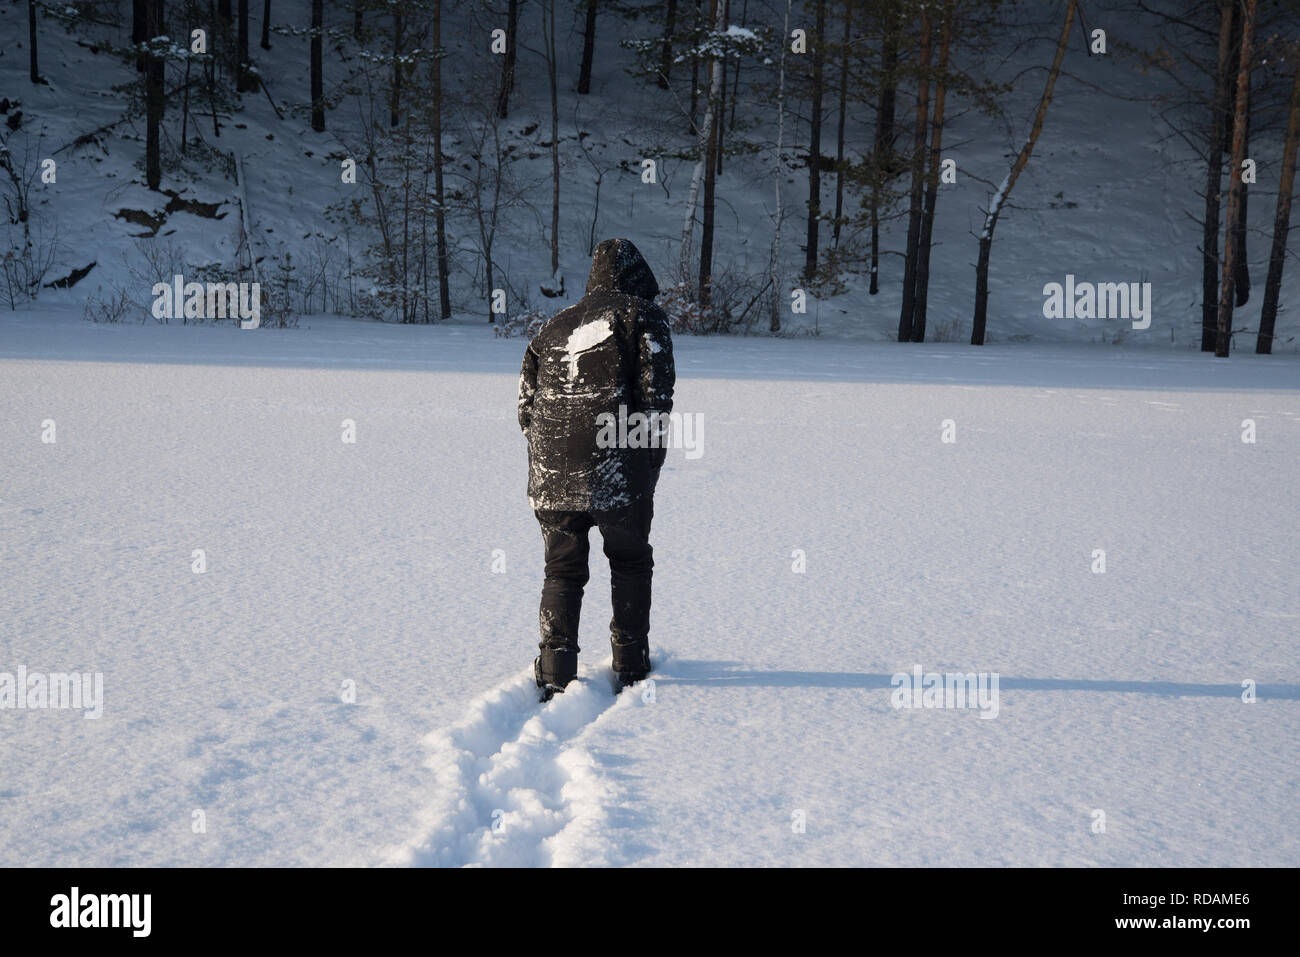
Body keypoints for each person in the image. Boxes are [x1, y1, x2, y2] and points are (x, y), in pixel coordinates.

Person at [517, 238, 675, 700]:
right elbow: (654, 400)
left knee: (561, 570)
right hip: (615, 464)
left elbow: (525, 408)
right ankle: (629, 662)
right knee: (629, 559)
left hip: (550, 472)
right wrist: (648, 464)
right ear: (638, 278)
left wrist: (551, 449)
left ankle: (554, 667)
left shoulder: (552, 326)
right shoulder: (643, 317)